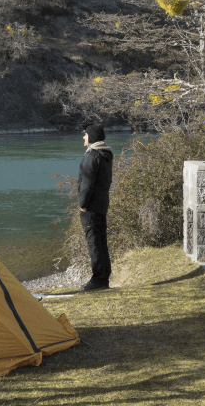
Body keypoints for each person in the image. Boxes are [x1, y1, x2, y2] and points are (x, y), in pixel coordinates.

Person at [77, 124, 113, 291]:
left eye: (85, 135)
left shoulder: (92, 156)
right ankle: (103, 278)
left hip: (91, 206)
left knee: (94, 243)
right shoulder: (105, 154)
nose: (84, 137)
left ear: (91, 137)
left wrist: (82, 205)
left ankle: (98, 280)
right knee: (101, 241)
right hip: (101, 204)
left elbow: (87, 184)